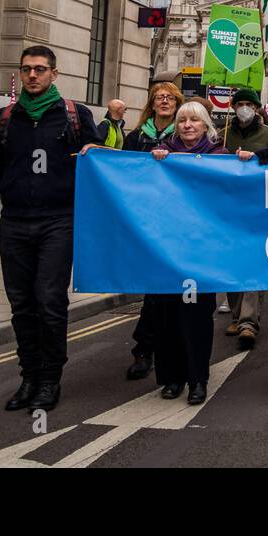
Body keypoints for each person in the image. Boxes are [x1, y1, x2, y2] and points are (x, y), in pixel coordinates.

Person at [0, 47, 99, 411]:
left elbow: (98, 162)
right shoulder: (4, 119)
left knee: (50, 300)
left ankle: (49, 379)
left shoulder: (75, 115)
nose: (32, 76)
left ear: (53, 75)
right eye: (26, 69)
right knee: (21, 304)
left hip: (58, 220)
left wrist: (94, 149)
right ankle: (28, 376)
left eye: (40, 70)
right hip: (14, 221)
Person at [148, 101, 262, 404]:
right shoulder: (161, 154)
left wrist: (246, 161)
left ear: (205, 126)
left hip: (202, 252)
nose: (187, 125)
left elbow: (237, 191)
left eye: (194, 121)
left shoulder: (219, 156)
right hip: (166, 250)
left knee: (197, 317)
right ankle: (171, 378)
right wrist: (155, 160)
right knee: (166, 315)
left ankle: (198, 378)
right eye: (182, 120)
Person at [122, 81, 185, 381]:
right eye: (158, 97)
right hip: (146, 220)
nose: (163, 101)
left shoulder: (184, 134)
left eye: (169, 98)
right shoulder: (136, 137)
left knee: (169, 291)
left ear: (177, 103)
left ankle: (159, 348)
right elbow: (122, 171)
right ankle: (145, 349)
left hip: (176, 220)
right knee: (154, 290)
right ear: (151, 103)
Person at [219, 88, 268, 348]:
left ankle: (248, 322)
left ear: (257, 108)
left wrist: (255, 157)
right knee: (233, 264)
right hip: (229, 208)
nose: (243, 108)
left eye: (248, 104)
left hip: (259, 206)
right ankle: (236, 314)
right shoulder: (223, 134)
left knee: (254, 264)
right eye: (239, 103)